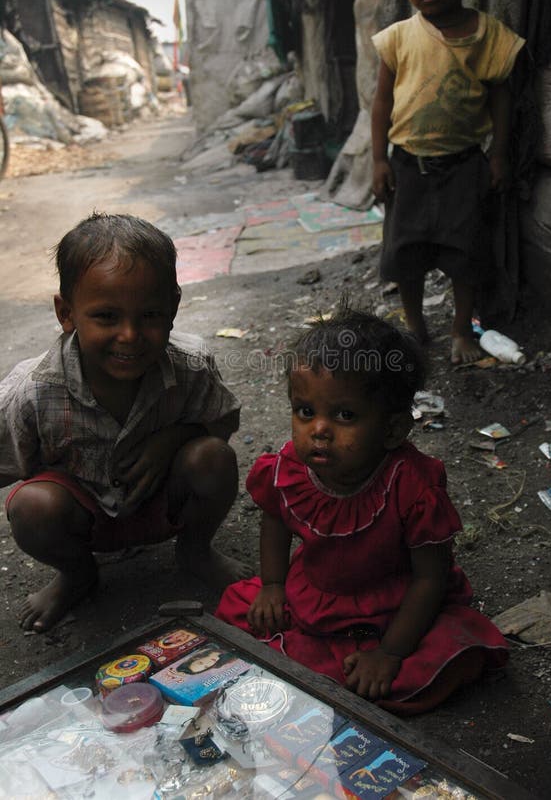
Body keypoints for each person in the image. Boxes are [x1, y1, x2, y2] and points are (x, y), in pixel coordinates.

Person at [216, 305, 509, 715]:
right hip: (315, 598)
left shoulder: (412, 487)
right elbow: (276, 521)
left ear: (392, 429)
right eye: (305, 411)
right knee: (239, 611)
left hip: (395, 608)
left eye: (345, 415)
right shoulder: (290, 470)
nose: (318, 429)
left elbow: (430, 578)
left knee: (448, 656)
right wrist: (273, 586)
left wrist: (390, 653)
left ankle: (368, 664)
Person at [0, 212, 248, 633]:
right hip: (83, 521)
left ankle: (195, 551)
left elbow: (221, 423)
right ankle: (77, 575)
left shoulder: (191, 367)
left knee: (213, 457)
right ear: (67, 313)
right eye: (107, 317)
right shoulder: (33, 391)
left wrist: (176, 438)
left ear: (174, 307)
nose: (130, 335)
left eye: (150, 315)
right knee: (31, 506)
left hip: (162, 504)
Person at [371, 0, 525, 364]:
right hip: (408, 165)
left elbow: (501, 99)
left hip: (463, 165)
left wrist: (497, 154)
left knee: (466, 254)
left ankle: (461, 329)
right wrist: (378, 160)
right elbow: (381, 103)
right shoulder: (397, 38)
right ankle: (416, 327)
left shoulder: (488, 36)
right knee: (406, 254)